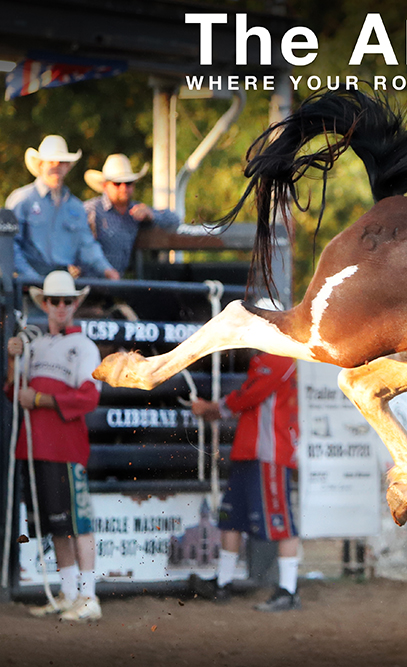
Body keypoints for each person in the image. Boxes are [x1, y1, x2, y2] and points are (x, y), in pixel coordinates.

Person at [188, 299, 301, 612]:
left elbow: (246, 397)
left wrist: (212, 409)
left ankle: (288, 590)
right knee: (231, 518)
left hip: (269, 453)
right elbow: (247, 398)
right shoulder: (272, 357)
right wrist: (216, 409)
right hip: (252, 451)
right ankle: (223, 583)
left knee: (282, 522)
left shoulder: (279, 358)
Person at [4, 270, 104, 621]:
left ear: (75, 304)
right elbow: (14, 390)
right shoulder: (37, 344)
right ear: (45, 304)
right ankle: (68, 592)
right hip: (35, 448)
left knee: (76, 522)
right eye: (54, 301)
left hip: (66, 449)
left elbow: (88, 398)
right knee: (56, 525)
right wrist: (14, 357)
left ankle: (89, 597)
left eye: (66, 301)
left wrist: (41, 397)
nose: (60, 307)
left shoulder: (85, 347)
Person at [6, 136, 120, 282]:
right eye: (51, 161)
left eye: (62, 162)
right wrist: (29, 278)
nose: (57, 166)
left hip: (63, 281)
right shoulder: (22, 200)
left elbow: (86, 245)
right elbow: (9, 245)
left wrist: (107, 270)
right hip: (28, 284)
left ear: (68, 167)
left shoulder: (75, 206)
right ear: (40, 165)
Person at [83, 154, 180, 277]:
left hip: (117, 285)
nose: (123, 188)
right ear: (105, 186)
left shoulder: (136, 210)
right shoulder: (91, 210)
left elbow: (174, 220)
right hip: (89, 284)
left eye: (128, 183)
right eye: (117, 183)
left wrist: (151, 215)